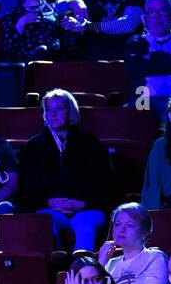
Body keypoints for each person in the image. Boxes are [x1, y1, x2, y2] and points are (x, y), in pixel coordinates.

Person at [16, 88, 114, 251]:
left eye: (59, 108)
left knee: (84, 224)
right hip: (49, 208)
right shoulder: (34, 146)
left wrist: (84, 203)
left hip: (87, 207)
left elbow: (106, 182)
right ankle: (56, 269)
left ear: (71, 112)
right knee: (46, 223)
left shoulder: (90, 142)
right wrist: (48, 201)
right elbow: (27, 186)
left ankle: (84, 272)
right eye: (49, 110)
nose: (53, 114)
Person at [99, 202, 170, 284]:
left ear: (145, 232)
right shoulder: (110, 264)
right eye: (117, 224)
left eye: (130, 225)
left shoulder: (155, 257)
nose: (121, 229)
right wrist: (101, 262)